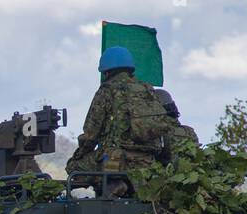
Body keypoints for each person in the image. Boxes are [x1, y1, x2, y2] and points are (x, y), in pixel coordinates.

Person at [66, 46, 178, 181]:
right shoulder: (148, 90)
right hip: (148, 163)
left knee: (74, 167)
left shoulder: (107, 90)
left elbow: (91, 134)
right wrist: (163, 160)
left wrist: (80, 154)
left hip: (116, 160)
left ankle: (112, 186)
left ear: (106, 72)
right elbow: (162, 127)